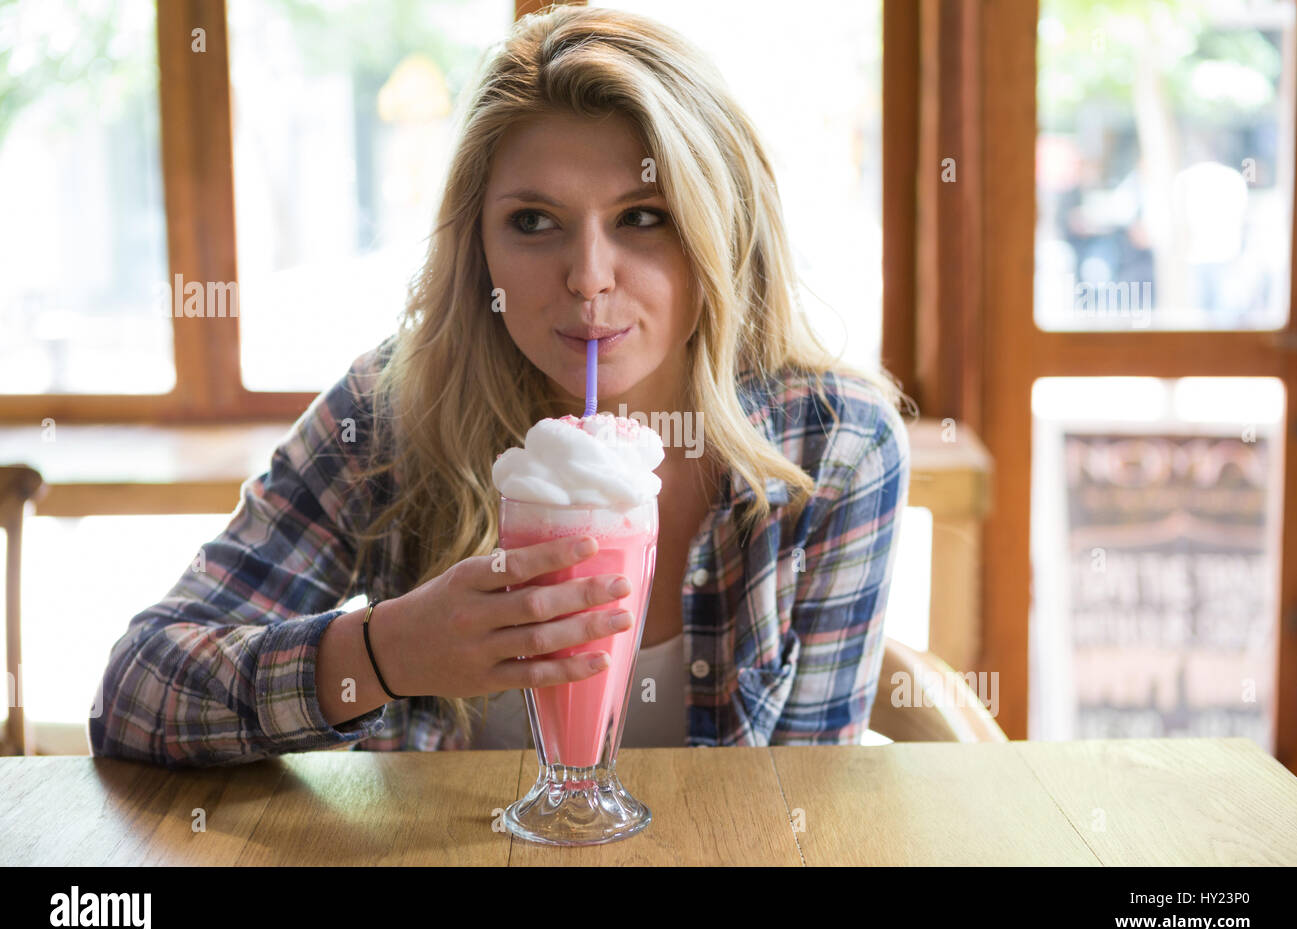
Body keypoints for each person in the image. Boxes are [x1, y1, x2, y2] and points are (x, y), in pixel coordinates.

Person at [88, 5, 913, 768]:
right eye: (533, 221)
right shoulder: (393, 414)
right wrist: (383, 653)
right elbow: (134, 696)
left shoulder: (835, 445)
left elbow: (805, 809)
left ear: (722, 227)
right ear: (477, 245)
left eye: (643, 216)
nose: (589, 280)